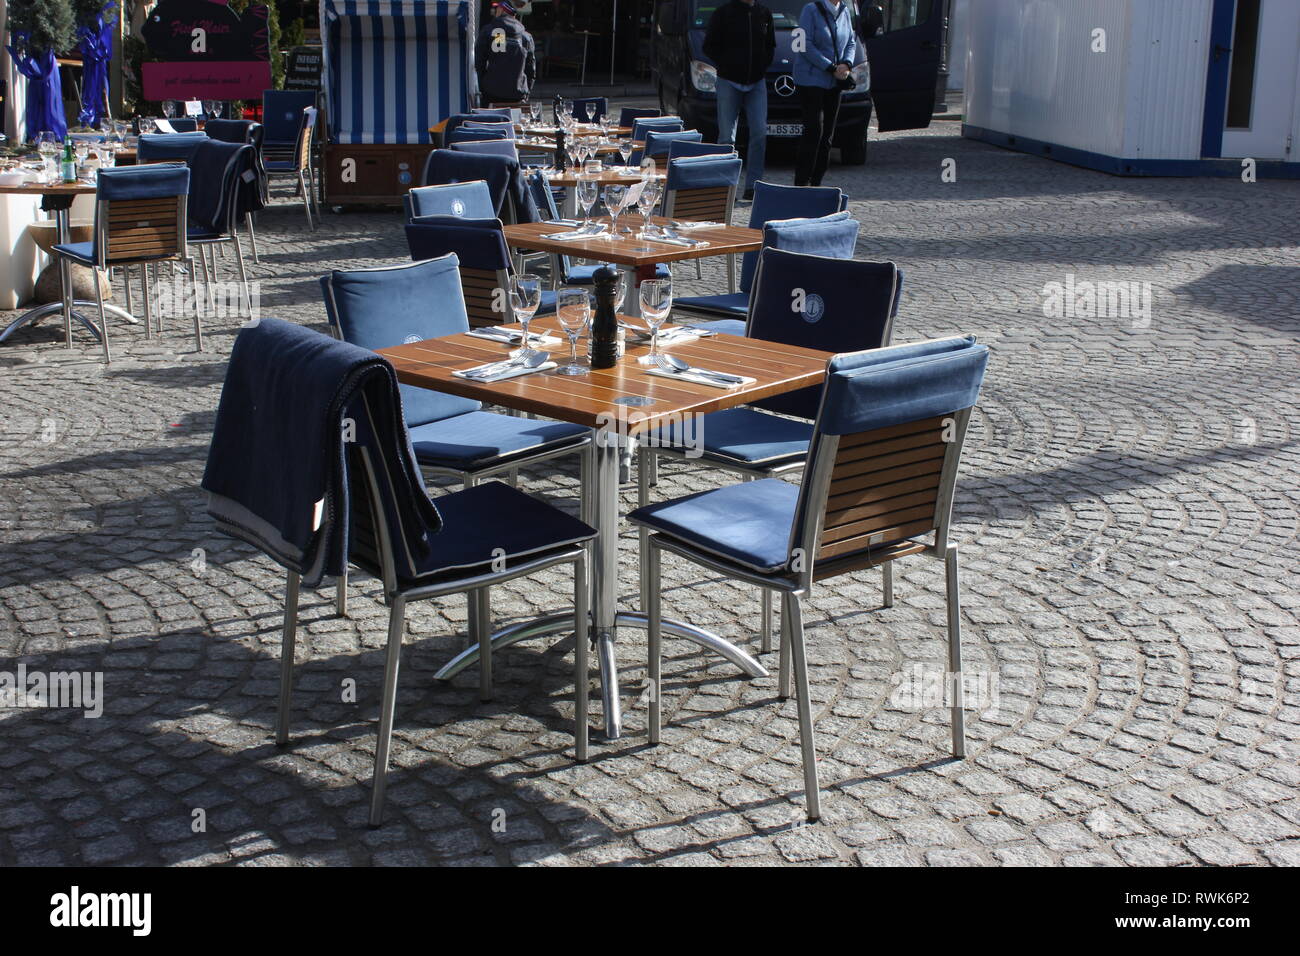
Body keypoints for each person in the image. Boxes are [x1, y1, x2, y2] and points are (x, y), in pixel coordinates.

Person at [703, 0, 776, 201]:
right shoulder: (723, 13)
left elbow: (770, 45)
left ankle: (753, 186)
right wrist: (727, 64)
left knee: (760, 132)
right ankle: (725, 186)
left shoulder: (764, 13)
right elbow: (709, 46)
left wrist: (762, 66)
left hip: (756, 81)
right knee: (727, 137)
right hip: (728, 80)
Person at [792, 0, 858, 186]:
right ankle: (802, 182)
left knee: (828, 134)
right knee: (813, 130)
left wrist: (846, 64)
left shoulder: (844, 11)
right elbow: (803, 45)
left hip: (834, 81)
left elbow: (851, 42)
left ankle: (817, 182)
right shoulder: (810, 10)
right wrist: (830, 67)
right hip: (810, 79)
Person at [476, 1, 536, 105]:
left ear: (502, 10)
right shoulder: (526, 37)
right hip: (518, 94)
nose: (494, 11)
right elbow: (531, 70)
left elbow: (478, 63)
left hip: (491, 93)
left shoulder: (489, 31)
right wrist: (526, 92)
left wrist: (483, 87)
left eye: (497, 8)